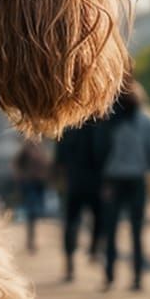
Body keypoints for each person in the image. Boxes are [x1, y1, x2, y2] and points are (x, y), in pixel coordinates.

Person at [101, 78, 150, 291]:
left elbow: (100, 152)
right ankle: (137, 276)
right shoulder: (148, 119)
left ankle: (110, 275)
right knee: (137, 232)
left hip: (113, 179)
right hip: (137, 179)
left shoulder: (109, 119)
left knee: (111, 230)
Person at [55, 106, 115, 282]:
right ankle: (94, 250)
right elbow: (105, 152)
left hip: (75, 180)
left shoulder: (69, 123)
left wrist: (61, 176)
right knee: (98, 219)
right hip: (96, 180)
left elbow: (60, 155)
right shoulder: (103, 124)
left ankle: (70, 260)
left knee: (72, 222)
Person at [11, 134, 53, 254]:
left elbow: (47, 166)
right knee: (32, 212)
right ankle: (31, 240)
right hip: (29, 184)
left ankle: (32, 238)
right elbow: (17, 165)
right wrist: (21, 178)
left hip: (39, 184)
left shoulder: (42, 150)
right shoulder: (27, 150)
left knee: (36, 211)